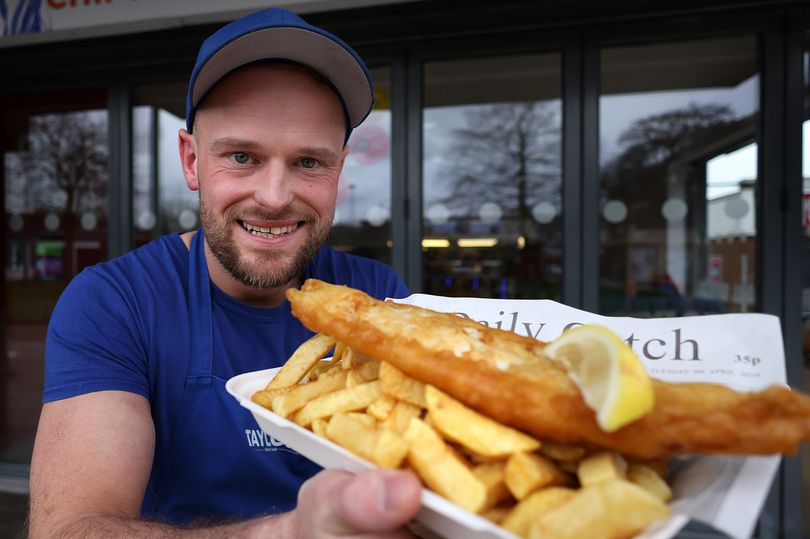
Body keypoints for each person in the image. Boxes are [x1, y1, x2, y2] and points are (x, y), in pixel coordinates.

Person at [28, 7, 422, 537]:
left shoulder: (377, 295)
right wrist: (288, 533)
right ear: (191, 162)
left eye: (309, 162)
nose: (275, 197)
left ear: (339, 169)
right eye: (241, 157)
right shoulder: (114, 303)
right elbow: (68, 530)